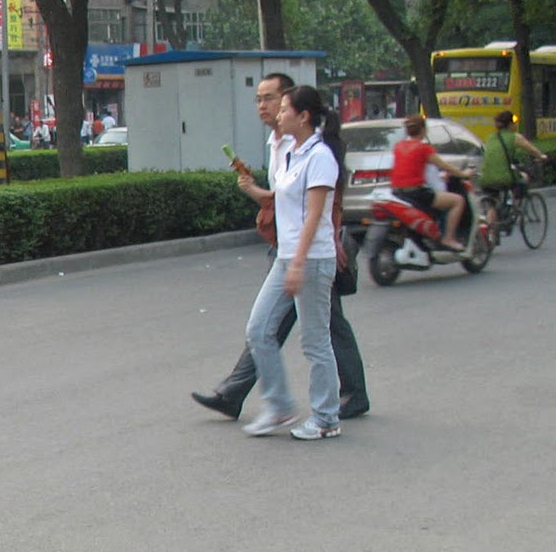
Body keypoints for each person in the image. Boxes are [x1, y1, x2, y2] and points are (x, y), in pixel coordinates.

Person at [191, 74, 369, 420]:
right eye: (259, 99)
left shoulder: (308, 148)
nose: (264, 106)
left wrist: (324, 243)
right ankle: (250, 394)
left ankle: (322, 408)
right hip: (286, 248)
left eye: (272, 100)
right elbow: (282, 197)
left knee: (312, 331)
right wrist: (254, 193)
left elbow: (322, 201)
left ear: (296, 109)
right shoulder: (280, 144)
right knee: (272, 327)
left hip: (307, 253)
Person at [237, 85, 345, 440]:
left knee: (315, 341)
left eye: (284, 109)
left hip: (311, 260)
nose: (278, 114)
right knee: (258, 329)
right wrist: (254, 192)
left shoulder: (320, 157)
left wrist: (298, 263)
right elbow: (281, 198)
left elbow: (314, 217)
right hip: (288, 257)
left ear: (304, 116)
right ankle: (280, 404)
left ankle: (327, 418)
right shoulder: (290, 154)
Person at [390, 114, 469, 251]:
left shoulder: (398, 146)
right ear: (423, 130)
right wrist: (463, 174)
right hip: (416, 193)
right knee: (458, 201)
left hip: (397, 192)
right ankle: (449, 238)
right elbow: (444, 166)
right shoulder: (424, 148)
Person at [479, 108, 548, 235]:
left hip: (485, 177)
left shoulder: (491, 138)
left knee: (492, 204)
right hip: (504, 177)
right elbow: (532, 150)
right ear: (510, 124)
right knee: (523, 178)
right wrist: (542, 157)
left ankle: (490, 235)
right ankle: (514, 207)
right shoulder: (514, 137)